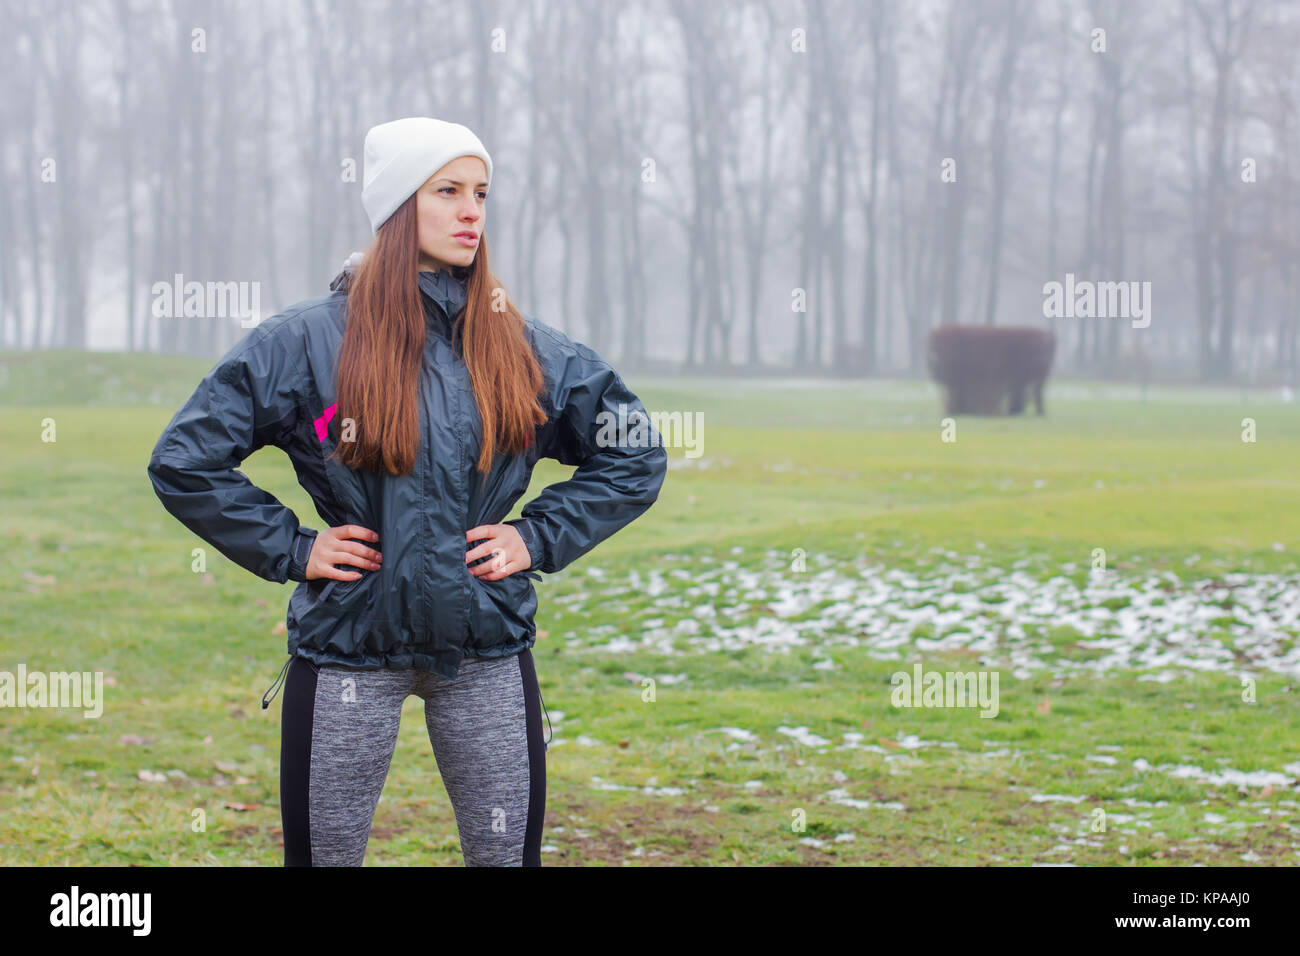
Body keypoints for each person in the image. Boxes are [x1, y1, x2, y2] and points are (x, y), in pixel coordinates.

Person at [146, 116, 668, 866]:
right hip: (350, 650)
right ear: (397, 208)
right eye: (447, 191)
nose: (471, 213)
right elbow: (184, 460)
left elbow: (635, 452)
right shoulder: (305, 343)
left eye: (481, 193)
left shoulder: (525, 347)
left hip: (485, 649)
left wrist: (537, 537)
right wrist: (294, 547)